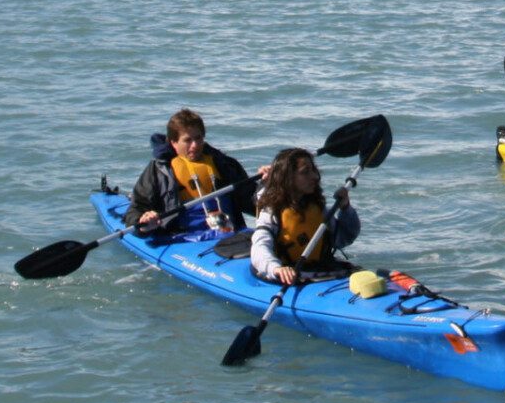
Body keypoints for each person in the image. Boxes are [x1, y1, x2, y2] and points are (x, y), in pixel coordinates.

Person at [128, 108, 258, 233]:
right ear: (173, 142)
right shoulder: (158, 171)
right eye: (188, 140)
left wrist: (269, 182)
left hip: (229, 230)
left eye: (198, 138)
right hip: (183, 237)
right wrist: (143, 222)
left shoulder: (224, 164)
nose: (195, 145)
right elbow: (136, 209)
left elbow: (252, 201)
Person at [249, 147, 361, 283]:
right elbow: (259, 246)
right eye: (305, 172)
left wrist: (346, 208)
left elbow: (343, 239)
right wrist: (276, 268)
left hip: (321, 270)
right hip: (291, 274)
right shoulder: (271, 211)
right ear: (288, 178)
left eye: (313, 170)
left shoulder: (316, 206)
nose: (314, 176)